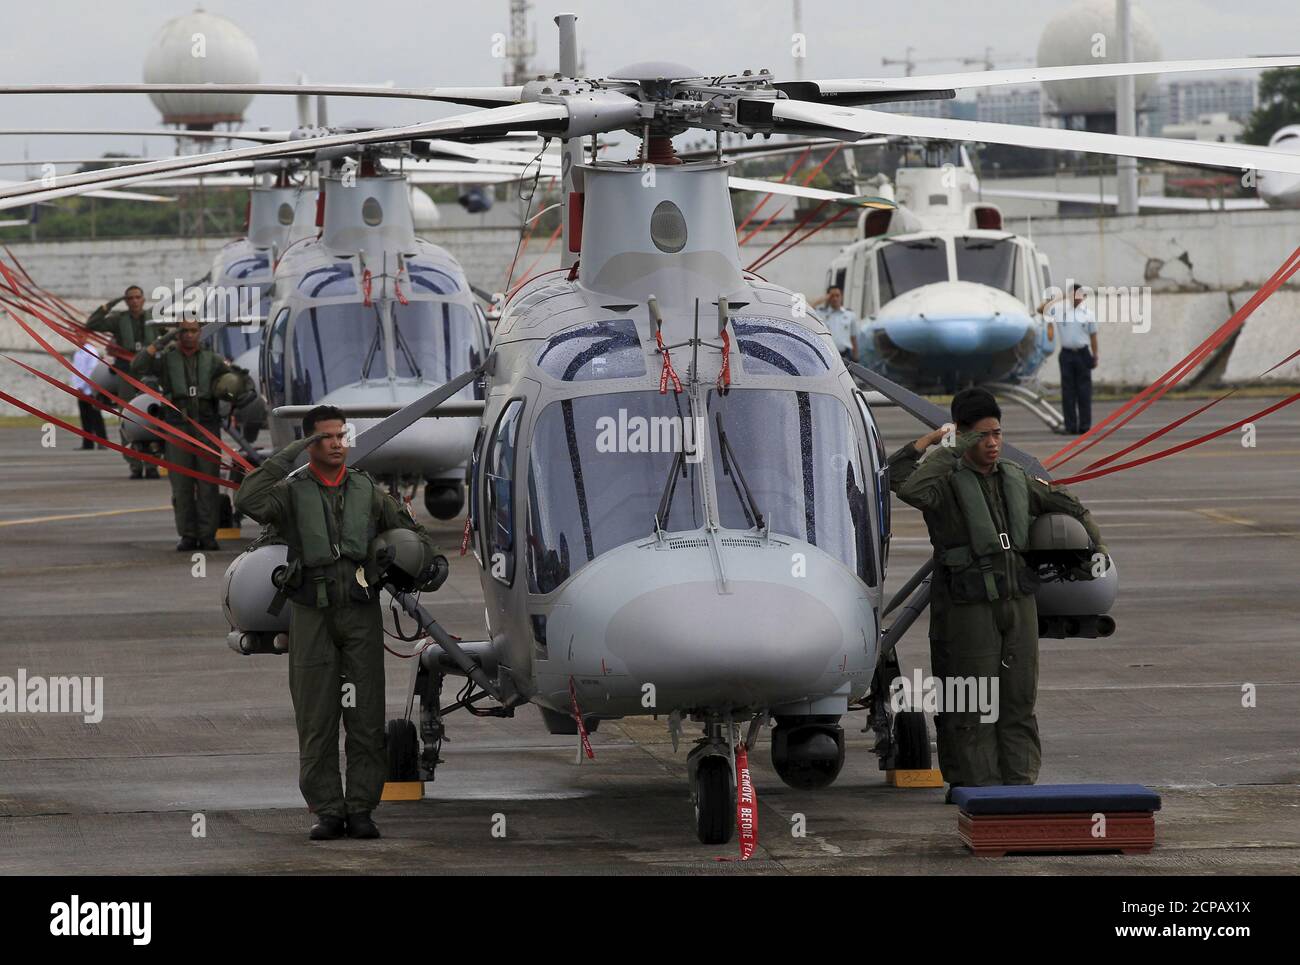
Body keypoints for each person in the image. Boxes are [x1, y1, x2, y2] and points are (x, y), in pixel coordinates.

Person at [234, 405, 447, 841]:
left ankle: (362, 807)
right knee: (316, 717)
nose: (336, 443)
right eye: (325, 437)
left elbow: (414, 535)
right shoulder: (292, 494)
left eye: (341, 435)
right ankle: (327, 809)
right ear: (310, 443)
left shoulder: (369, 491)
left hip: (359, 612)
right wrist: (289, 454)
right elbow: (248, 499)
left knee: (366, 714)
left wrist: (421, 561)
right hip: (311, 615)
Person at [887, 388, 1107, 797]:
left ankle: (1019, 786)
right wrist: (940, 444)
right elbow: (904, 483)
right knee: (970, 702)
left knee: (1019, 699)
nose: (992, 443)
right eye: (982, 435)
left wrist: (1097, 550)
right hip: (967, 607)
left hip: (1017, 604)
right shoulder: (944, 481)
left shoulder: (1016, 478)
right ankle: (976, 789)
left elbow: (1071, 506)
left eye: (997, 434)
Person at [130, 316, 242, 550]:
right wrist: (164, 339)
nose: (188, 335)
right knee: (181, 485)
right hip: (176, 427)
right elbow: (138, 366)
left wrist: (235, 391)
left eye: (193, 330)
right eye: (183, 331)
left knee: (208, 484)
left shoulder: (212, 360)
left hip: (206, 427)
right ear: (177, 334)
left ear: (200, 333)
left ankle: (208, 534)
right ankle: (188, 535)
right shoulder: (166, 359)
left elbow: (237, 381)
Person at [87, 286, 157, 476]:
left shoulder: (155, 319)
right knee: (127, 419)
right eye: (130, 298)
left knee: (154, 418)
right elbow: (92, 323)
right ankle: (134, 465)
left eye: (137, 297)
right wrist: (113, 302)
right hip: (126, 376)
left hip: (150, 376)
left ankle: (152, 465)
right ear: (126, 301)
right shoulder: (119, 320)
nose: (134, 301)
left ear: (143, 299)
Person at [1037, 284, 1098, 435]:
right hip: (1067, 354)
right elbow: (1040, 309)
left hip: (1083, 353)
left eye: (1079, 295)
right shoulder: (1060, 311)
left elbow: (1093, 336)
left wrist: (1095, 354)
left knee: (1084, 391)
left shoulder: (1088, 314)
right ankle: (1070, 426)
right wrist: (1060, 297)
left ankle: (1085, 426)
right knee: (1068, 391)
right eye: (1073, 295)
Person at [71, 339, 107, 449]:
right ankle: (88, 442)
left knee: (95, 416)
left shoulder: (91, 351)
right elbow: (76, 371)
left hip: (90, 389)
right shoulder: (78, 353)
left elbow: (90, 371)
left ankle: (102, 441)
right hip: (80, 389)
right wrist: (76, 387)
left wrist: (82, 386)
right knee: (85, 417)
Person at [815, 286, 859, 361]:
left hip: (845, 356)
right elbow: (806, 307)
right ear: (828, 297)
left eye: (837, 296)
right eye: (832, 296)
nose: (835, 299)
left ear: (841, 297)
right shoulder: (821, 314)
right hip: (826, 355)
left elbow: (853, 338)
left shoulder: (850, 315)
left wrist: (856, 358)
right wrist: (823, 299)